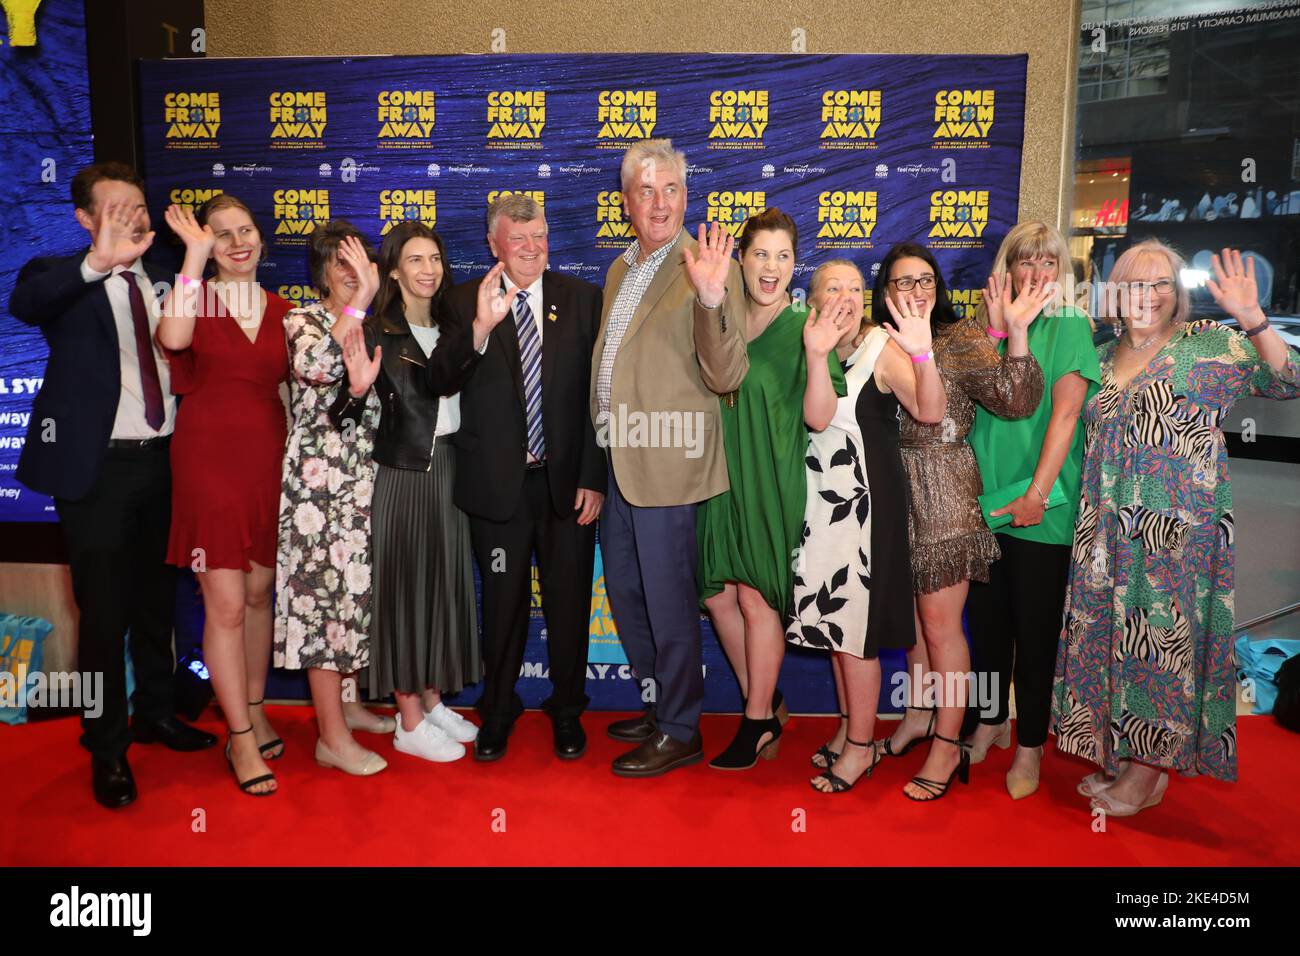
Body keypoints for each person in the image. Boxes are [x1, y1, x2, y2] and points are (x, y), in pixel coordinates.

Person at [1054, 241, 1299, 817]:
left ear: (1177, 292)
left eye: (1160, 282)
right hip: (1106, 528)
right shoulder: (1100, 352)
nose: (1147, 294)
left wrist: (1253, 317)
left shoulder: (1210, 345)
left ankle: (1147, 770)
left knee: (1160, 645)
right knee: (1110, 637)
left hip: (1175, 536)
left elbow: (1288, 380)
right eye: (1133, 283)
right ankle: (1123, 752)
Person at [10, 162, 215, 809]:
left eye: (138, 207)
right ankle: (106, 747)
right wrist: (101, 259)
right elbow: (26, 305)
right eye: (116, 208)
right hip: (97, 471)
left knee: (158, 602)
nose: (132, 218)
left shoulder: (165, 275)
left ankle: (155, 712)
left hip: (164, 463)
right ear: (85, 218)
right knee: (104, 617)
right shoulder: (57, 275)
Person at [594, 138, 748, 777]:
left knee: (668, 602)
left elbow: (726, 373)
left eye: (672, 190)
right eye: (646, 191)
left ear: (687, 197)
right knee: (628, 596)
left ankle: (682, 728)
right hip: (616, 458)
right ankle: (660, 706)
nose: (660, 203)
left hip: (671, 461)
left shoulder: (707, 265)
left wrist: (711, 299)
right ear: (625, 201)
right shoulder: (618, 268)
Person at [873, 242, 1045, 801]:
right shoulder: (872, 338)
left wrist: (1015, 334)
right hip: (889, 492)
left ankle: (949, 742)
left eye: (926, 280)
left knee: (941, 626)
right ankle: (920, 716)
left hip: (945, 489)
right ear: (886, 291)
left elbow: (1016, 401)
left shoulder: (959, 336)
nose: (917, 290)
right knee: (915, 626)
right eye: (904, 282)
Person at [330, 222, 503, 764]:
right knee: (404, 592)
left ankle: (430, 700)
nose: (428, 270)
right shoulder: (378, 328)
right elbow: (345, 405)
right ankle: (406, 717)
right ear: (395, 269)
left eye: (435, 258)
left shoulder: (452, 323)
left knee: (442, 586)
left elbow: (453, 385)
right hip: (405, 472)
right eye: (415, 260)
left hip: (451, 464)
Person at [442, 193, 605, 761]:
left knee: (568, 606)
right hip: (499, 492)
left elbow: (597, 397)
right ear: (494, 245)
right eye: (518, 239)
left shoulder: (582, 299)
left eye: (539, 237)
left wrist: (593, 475)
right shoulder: (463, 302)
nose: (532, 249)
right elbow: (440, 376)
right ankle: (499, 710)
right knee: (503, 605)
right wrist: (481, 330)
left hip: (566, 489)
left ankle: (567, 711)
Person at [696, 208, 852, 769]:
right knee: (718, 594)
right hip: (718, 476)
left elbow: (820, 416)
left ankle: (757, 719)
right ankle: (767, 700)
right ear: (741, 260)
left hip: (772, 474)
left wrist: (816, 355)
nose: (772, 266)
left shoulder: (804, 327)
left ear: (794, 265)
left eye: (783, 256)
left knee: (756, 596)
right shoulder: (724, 317)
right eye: (761, 253)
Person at [786, 259, 945, 792]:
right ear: (813, 299)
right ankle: (846, 732)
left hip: (864, 511)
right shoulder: (813, 345)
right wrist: (815, 353)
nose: (847, 296)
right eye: (834, 287)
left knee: (857, 636)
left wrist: (922, 353)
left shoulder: (881, 346)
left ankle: (861, 746)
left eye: (856, 287)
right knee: (837, 630)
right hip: (820, 508)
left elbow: (929, 410)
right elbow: (815, 417)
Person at [158, 195, 291, 796]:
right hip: (208, 464)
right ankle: (238, 735)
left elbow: (290, 396)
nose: (238, 242)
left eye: (246, 230)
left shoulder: (285, 310)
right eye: (222, 235)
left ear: (262, 237)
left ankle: (256, 705)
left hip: (270, 462)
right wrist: (192, 256)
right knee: (228, 604)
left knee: (261, 593)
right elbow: (174, 337)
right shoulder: (190, 294)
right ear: (207, 244)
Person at [963, 221, 1101, 799]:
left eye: (1049, 263)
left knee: (1035, 633)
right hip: (984, 503)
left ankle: (1029, 746)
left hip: (1043, 504)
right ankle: (992, 721)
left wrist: (1036, 495)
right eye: (1027, 261)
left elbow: (1066, 417)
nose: (1038, 273)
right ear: (1009, 267)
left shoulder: (1069, 325)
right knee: (989, 627)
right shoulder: (987, 325)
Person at [274, 221, 394, 777]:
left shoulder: (369, 323)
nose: (353, 274)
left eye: (360, 262)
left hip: (362, 483)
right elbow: (317, 367)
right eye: (341, 264)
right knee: (322, 608)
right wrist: (362, 301)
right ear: (320, 272)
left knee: (351, 600)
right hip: (318, 490)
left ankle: (348, 704)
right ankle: (330, 736)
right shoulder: (304, 318)